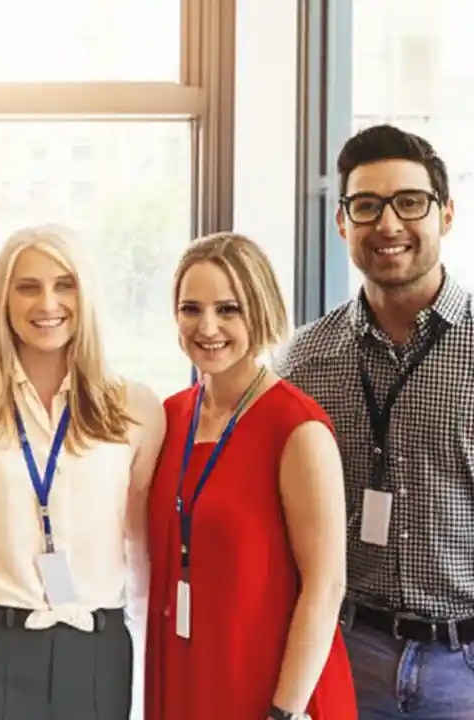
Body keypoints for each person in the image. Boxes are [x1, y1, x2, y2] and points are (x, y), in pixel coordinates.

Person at [276, 124, 474, 718]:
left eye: (410, 202)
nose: (388, 224)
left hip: (463, 663)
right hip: (346, 651)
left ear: (446, 214)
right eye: (367, 206)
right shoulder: (306, 360)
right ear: (343, 223)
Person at [0, 224, 163, 720]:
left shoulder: (135, 407)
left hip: (96, 646)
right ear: (3, 298)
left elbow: (142, 547)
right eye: (28, 286)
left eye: (64, 285)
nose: (47, 303)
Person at [148, 232, 356, 719]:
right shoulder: (171, 417)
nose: (207, 326)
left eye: (228, 309)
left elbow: (326, 588)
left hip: (275, 686)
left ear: (259, 310)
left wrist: (284, 712)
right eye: (190, 308)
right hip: (188, 671)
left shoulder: (297, 428)